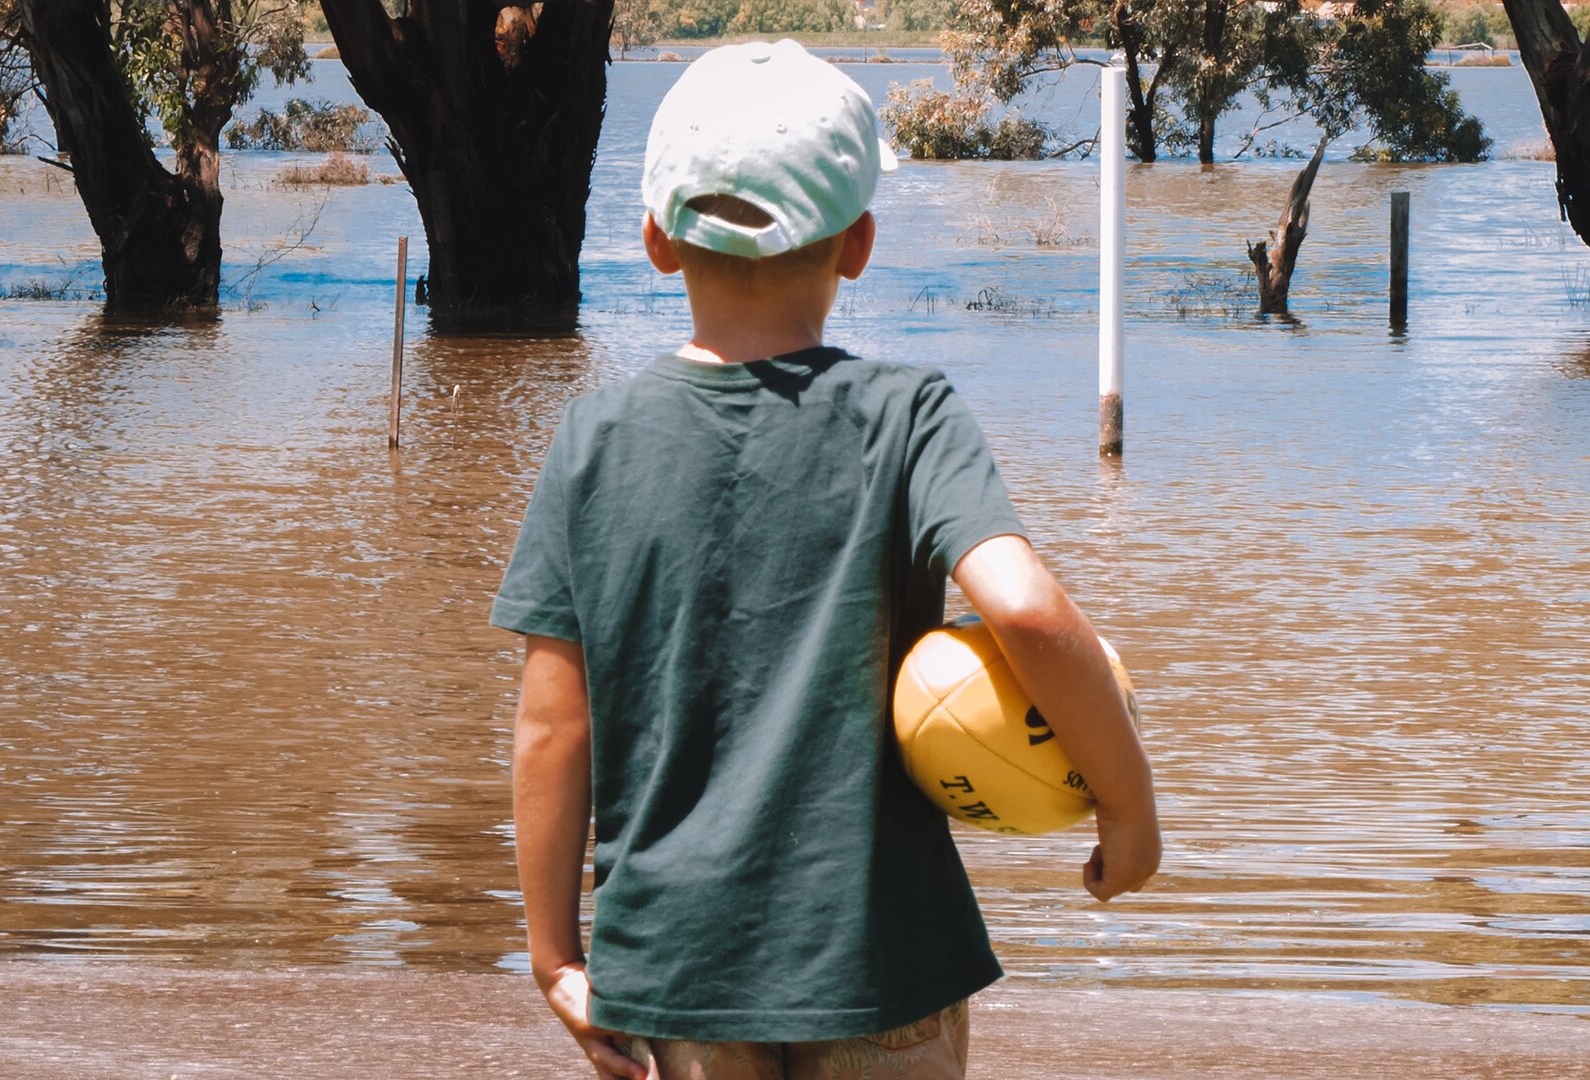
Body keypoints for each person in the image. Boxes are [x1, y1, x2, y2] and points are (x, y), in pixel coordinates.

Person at [492, 40, 1160, 1080]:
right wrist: (1129, 807)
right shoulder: (909, 415)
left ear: (658, 241)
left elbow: (550, 726)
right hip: (878, 954)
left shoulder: (592, 442)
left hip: (679, 964)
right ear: (858, 244)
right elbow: (1025, 613)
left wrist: (554, 956)